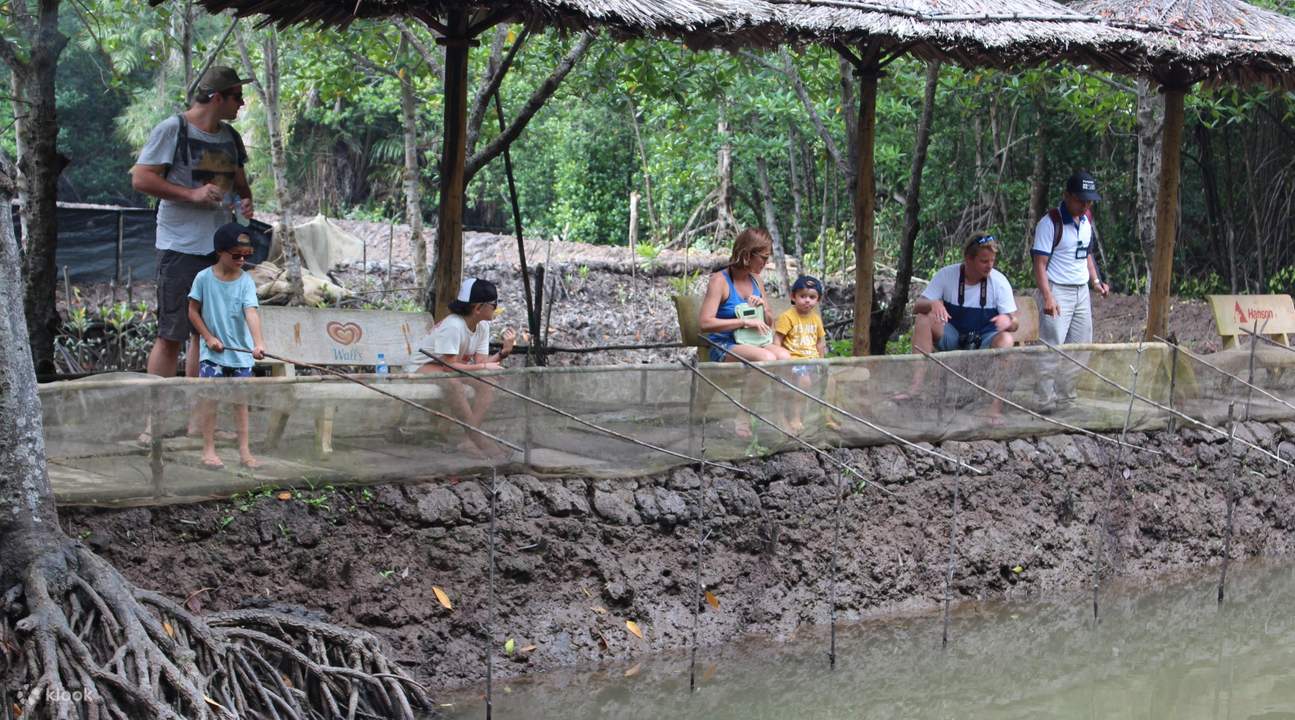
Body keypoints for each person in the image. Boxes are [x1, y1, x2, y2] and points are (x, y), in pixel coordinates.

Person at [132, 65, 254, 442]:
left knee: (209, 336)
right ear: (216, 97)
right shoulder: (174, 129)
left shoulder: (231, 137)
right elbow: (141, 178)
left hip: (218, 248)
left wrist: (244, 203)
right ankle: (153, 426)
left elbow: (240, 184)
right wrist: (192, 195)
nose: (242, 102)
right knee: (171, 334)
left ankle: (199, 425)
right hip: (180, 246)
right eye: (236, 95)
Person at [897, 234, 1018, 422]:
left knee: (1007, 340)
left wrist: (1008, 322)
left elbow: (1016, 323)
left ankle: (994, 408)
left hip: (985, 340)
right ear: (969, 259)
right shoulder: (947, 275)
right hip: (953, 335)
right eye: (984, 261)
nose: (990, 266)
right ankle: (916, 387)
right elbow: (917, 306)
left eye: (992, 261)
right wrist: (932, 305)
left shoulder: (999, 281)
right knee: (923, 319)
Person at [698, 227, 791, 438]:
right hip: (725, 345)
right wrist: (742, 322)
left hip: (755, 341)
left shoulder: (757, 281)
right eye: (764, 257)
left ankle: (779, 414)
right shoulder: (720, 281)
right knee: (766, 358)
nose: (766, 263)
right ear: (748, 254)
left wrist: (764, 309)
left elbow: (769, 322)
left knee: (784, 357)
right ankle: (743, 414)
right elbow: (704, 323)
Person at [187, 223, 266, 470]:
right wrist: (208, 338)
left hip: (240, 357)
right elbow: (192, 311)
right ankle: (208, 449)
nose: (242, 259)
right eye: (236, 255)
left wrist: (258, 343)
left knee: (240, 404)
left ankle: (244, 450)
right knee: (210, 400)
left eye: (247, 255)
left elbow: (250, 312)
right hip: (213, 355)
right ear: (220, 252)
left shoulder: (246, 282)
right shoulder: (203, 278)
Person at [1032, 170, 1110, 413]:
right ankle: (1044, 401)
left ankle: (1066, 399)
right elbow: (1039, 264)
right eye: (1080, 199)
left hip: (1081, 291)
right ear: (1067, 196)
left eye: (1088, 200)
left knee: (1080, 346)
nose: (1085, 204)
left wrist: (1096, 281)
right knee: (1052, 346)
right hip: (1057, 288)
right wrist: (1047, 296)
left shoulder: (1086, 221)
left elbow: (1085, 253)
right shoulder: (1050, 223)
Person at [416, 278, 517, 458]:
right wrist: (485, 366)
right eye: (493, 304)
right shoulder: (453, 326)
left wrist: (503, 352)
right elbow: (449, 368)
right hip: (422, 366)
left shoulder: (482, 326)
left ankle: (468, 441)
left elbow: (482, 366)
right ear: (478, 308)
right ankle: (478, 439)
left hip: (448, 368)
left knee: (487, 382)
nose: (496, 308)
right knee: (453, 383)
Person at [773, 275, 828, 434]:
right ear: (793, 296)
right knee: (804, 381)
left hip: (812, 361)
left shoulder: (816, 319)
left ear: (818, 299)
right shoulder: (787, 317)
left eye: (812, 297)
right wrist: (779, 364)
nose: (807, 300)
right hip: (793, 361)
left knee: (828, 383)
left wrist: (822, 361)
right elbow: (777, 340)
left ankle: (821, 417)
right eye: (802, 296)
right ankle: (795, 417)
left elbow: (819, 342)